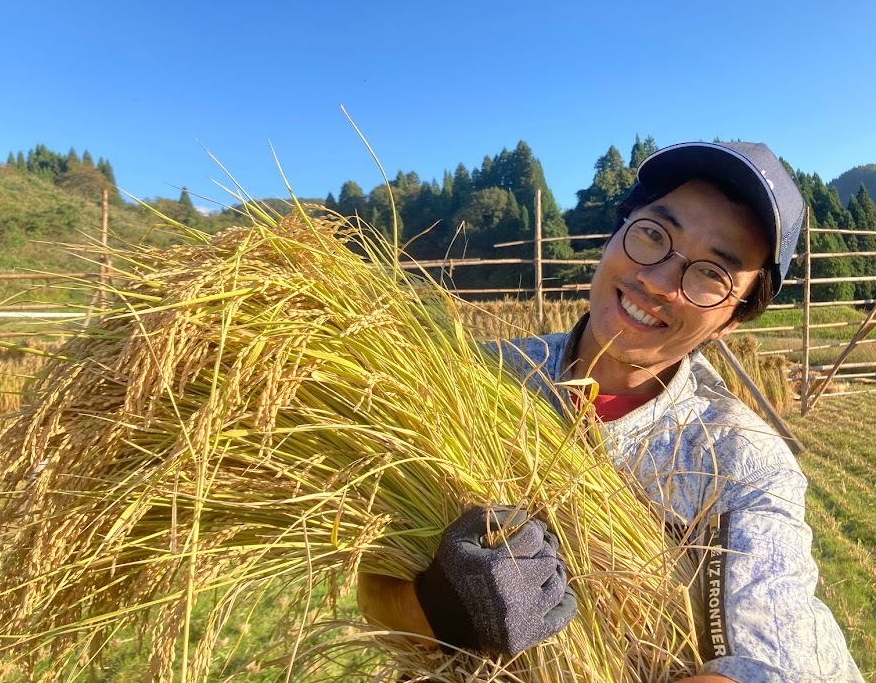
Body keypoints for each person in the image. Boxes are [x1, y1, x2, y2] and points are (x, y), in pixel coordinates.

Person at [357, 141, 865, 682]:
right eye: (652, 234)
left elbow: (763, 667)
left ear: (732, 321)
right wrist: (440, 608)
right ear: (614, 234)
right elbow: (376, 590)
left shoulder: (737, 461)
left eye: (713, 274)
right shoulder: (478, 383)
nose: (657, 282)